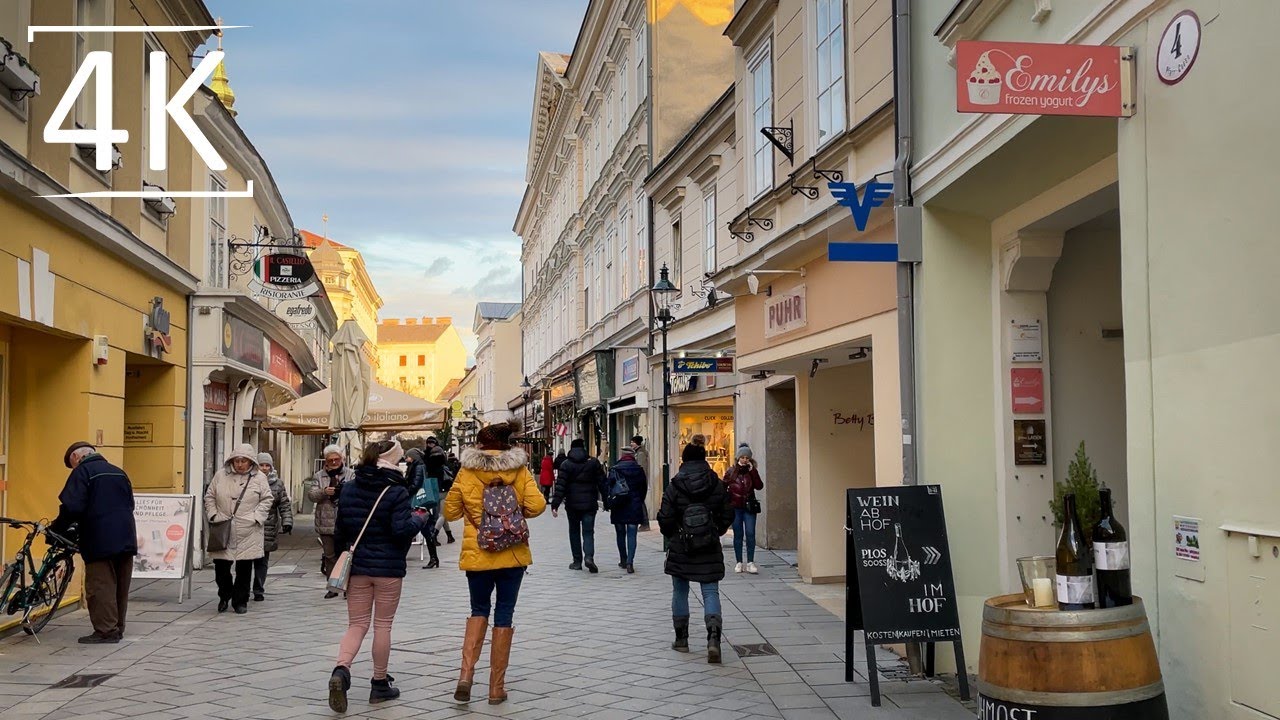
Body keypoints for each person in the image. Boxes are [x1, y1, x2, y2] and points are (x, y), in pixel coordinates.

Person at [443, 419, 546, 706]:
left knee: (478, 609)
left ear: (481, 443)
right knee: (504, 613)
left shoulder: (467, 471)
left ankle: (465, 677)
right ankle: (495, 688)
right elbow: (537, 506)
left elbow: (450, 512)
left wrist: (470, 511)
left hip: (479, 553)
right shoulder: (519, 470)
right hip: (512, 554)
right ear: (506, 444)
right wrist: (514, 513)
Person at [327, 440, 427, 712]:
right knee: (382, 625)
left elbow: (341, 531)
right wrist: (419, 519)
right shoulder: (395, 490)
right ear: (392, 460)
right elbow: (400, 530)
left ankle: (341, 670)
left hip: (357, 567)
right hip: (388, 569)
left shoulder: (348, 488)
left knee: (356, 624)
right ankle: (379, 683)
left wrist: (340, 560)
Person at [50, 442, 136, 644]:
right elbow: (130, 503)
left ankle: (106, 630)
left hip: (99, 538)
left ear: (75, 458)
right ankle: (117, 626)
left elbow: (72, 507)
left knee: (100, 585)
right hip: (126, 535)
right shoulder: (119, 472)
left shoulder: (83, 472)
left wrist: (56, 530)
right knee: (120, 585)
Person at [657, 442, 733, 664]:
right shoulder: (716, 484)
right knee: (710, 592)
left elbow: (665, 517)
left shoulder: (675, 486)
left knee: (680, 591)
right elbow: (728, 513)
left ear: (684, 459)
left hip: (682, 546)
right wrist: (715, 530)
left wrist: (674, 535)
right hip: (709, 546)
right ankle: (713, 639)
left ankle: (682, 639)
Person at [205, 444, 274, 615]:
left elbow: (267, 499)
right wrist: (213, 515)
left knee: (244, 568)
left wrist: (257, 517)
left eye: (243, 461)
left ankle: (240, 601)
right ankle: (224, 594)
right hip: (223, 527)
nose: (240, 464)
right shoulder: (221, 475)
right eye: (237, 461)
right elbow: (210, 496)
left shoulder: (259, 478)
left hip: (248, 529)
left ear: (250, 462)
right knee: (221, 567)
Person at [551, 438, 605, 572]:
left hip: (572, 505)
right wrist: (607, 501)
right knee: (588, 531)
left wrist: (555, 504)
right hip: (590, 504)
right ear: (584, 448)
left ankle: (577, 561)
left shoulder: (566, 464)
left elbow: (560, 486)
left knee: (574, 532)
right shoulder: (593, 463)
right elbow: (602, 483)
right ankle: (589, 557)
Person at [309, 445, 354, 596]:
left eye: (337, 459)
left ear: (342, 459)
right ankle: (332, 587)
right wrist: (323, 492)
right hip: (325, 521)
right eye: (331, 460)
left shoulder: (351, 474)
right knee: (330, 556)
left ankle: (348, 586)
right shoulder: (319, 476)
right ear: (326, 461)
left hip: (346, 520)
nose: (334, 462)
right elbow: (311, 495)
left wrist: (344, 491)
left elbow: (356, 493)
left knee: (347, 555)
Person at [254, 453, 294, 601]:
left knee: (263, 560)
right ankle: (243, 589)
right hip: (250, 525)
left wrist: (287, 522)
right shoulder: (249, 481)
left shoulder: (277, 483)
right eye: (261, 465)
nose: (264, 468)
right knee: (246, 560)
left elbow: (284, 504)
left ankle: (258, 589)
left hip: (269, 526)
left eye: (267, 465)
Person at [724, 443, 764, 575]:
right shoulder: (731, 471)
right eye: (742, 457)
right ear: (738, 458)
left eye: (747, 457)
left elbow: (759, 486)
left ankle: (751, 562)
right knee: (738, 535)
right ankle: (739, 562)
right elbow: (724, 486)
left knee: (750, 533)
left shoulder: (752, 471)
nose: (745, 459)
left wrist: (753, 471)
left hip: (749, 507)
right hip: (735, 507)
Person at [606, 449, 647, 573]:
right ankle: (630, 561)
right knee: (632, 533)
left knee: (620, 533)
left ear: (622, 456)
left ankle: (623, 559)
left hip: (619, 504)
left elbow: (609, 487)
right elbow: (643, 488)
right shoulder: (639, 470)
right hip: (634, 504)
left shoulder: (615, 470)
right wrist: (639, 500)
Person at [404, 447, 441, 569]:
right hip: (422, 505)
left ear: (413, 456)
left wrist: (406, 492)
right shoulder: (418, 465)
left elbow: (416, 484)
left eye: (408, 456)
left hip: (419, 503)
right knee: (425, 531)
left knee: (412, 531)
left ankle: (402, 558)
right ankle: (434, 558)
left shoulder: (418, 467)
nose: (406, 458)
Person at [424, 437, 456, 545]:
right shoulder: (443, 462)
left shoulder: (427, 460)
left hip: (432, 488)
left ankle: (445, 535)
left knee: (438, 515)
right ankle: (436, 535)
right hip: (443, 489)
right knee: (442, 514)